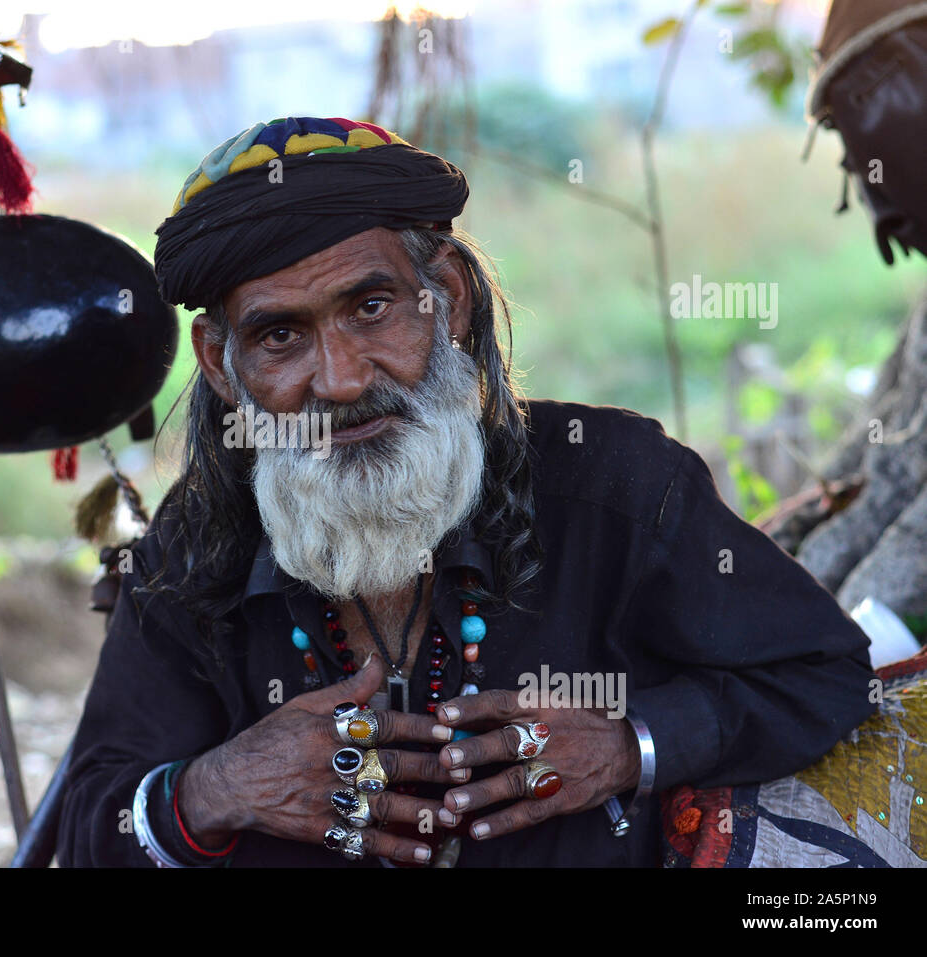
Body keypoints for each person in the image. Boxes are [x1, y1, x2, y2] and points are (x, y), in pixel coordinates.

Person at [53, 116, 877, 867]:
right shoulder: (193, 547)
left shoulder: (614, 484)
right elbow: (93, 823)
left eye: (371, 307)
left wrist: (630, 746)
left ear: (446, 298)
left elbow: (823, 673)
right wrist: (218, 788)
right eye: (280, 335)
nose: (340, 380)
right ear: (219, 364)